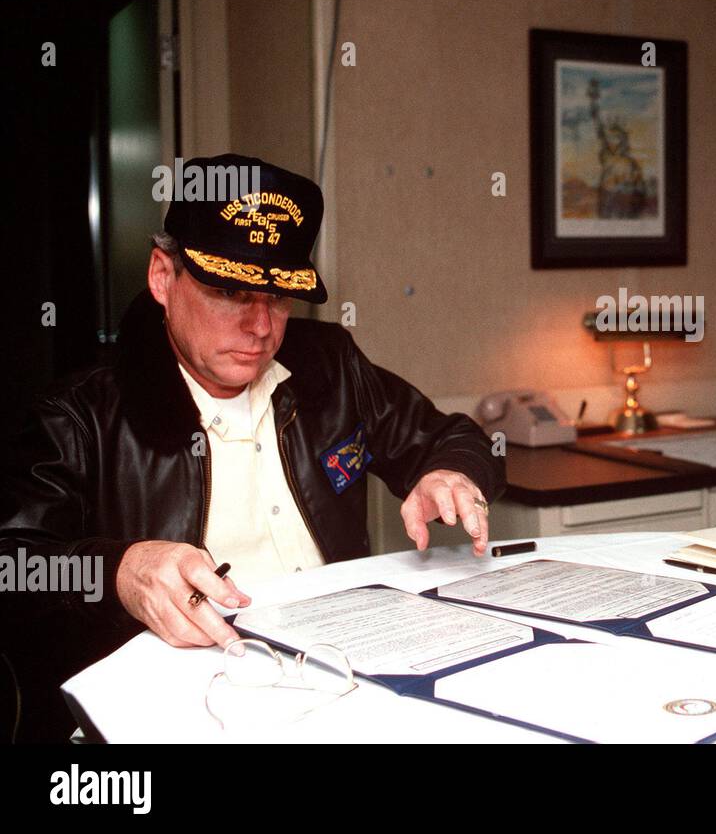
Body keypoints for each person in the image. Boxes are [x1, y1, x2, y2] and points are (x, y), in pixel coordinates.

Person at [0, 154, 504, 740]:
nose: (261, 327)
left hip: (344, 678)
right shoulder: (81, 415)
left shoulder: (330, 366)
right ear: (163, 277)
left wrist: (452, 470)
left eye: (279, 296)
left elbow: (459, 438)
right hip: (186, 703)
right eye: (231, 294)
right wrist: (119, 569)